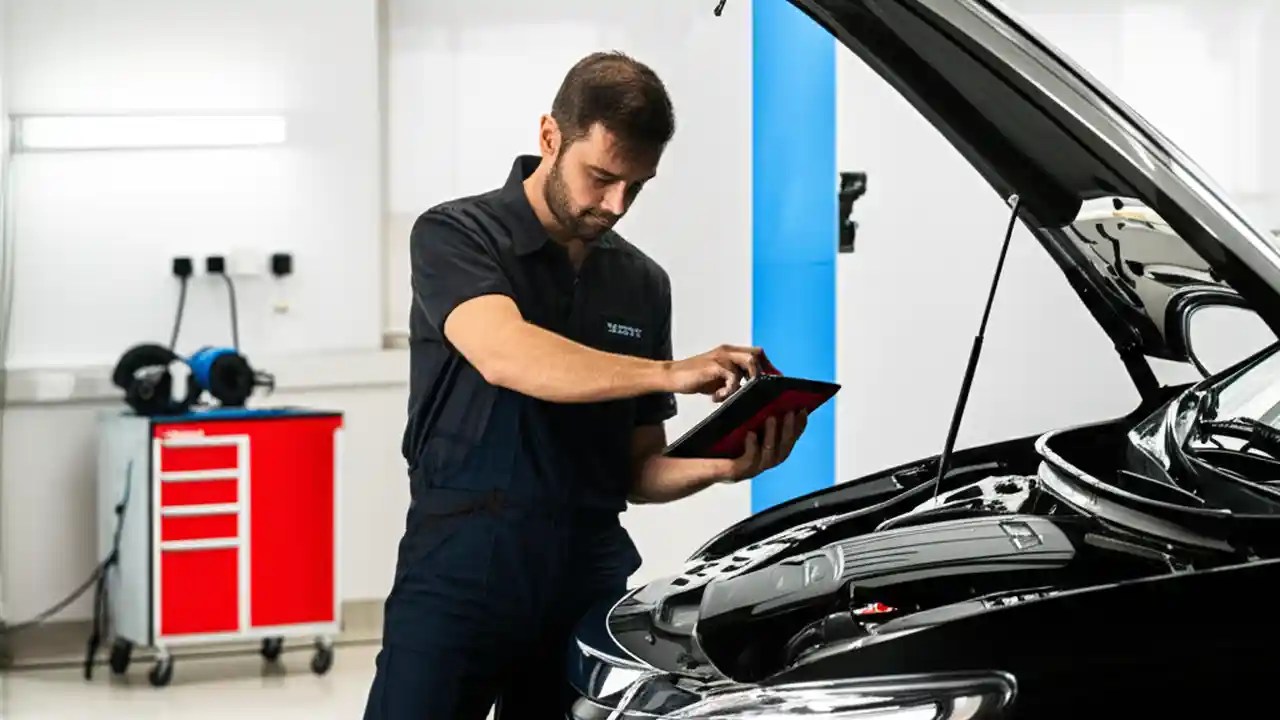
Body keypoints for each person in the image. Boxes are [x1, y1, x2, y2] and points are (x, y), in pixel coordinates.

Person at [363, 50, 809, 719]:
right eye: (601, 177)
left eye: (636, 186)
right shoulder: (456, 235)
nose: (616, 205)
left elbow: (636, 471)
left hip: (586, 574)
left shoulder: (641, 282)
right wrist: (670, 371)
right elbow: (505, 354)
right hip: (461, 565)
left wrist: (722, 465)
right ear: (550, 136)